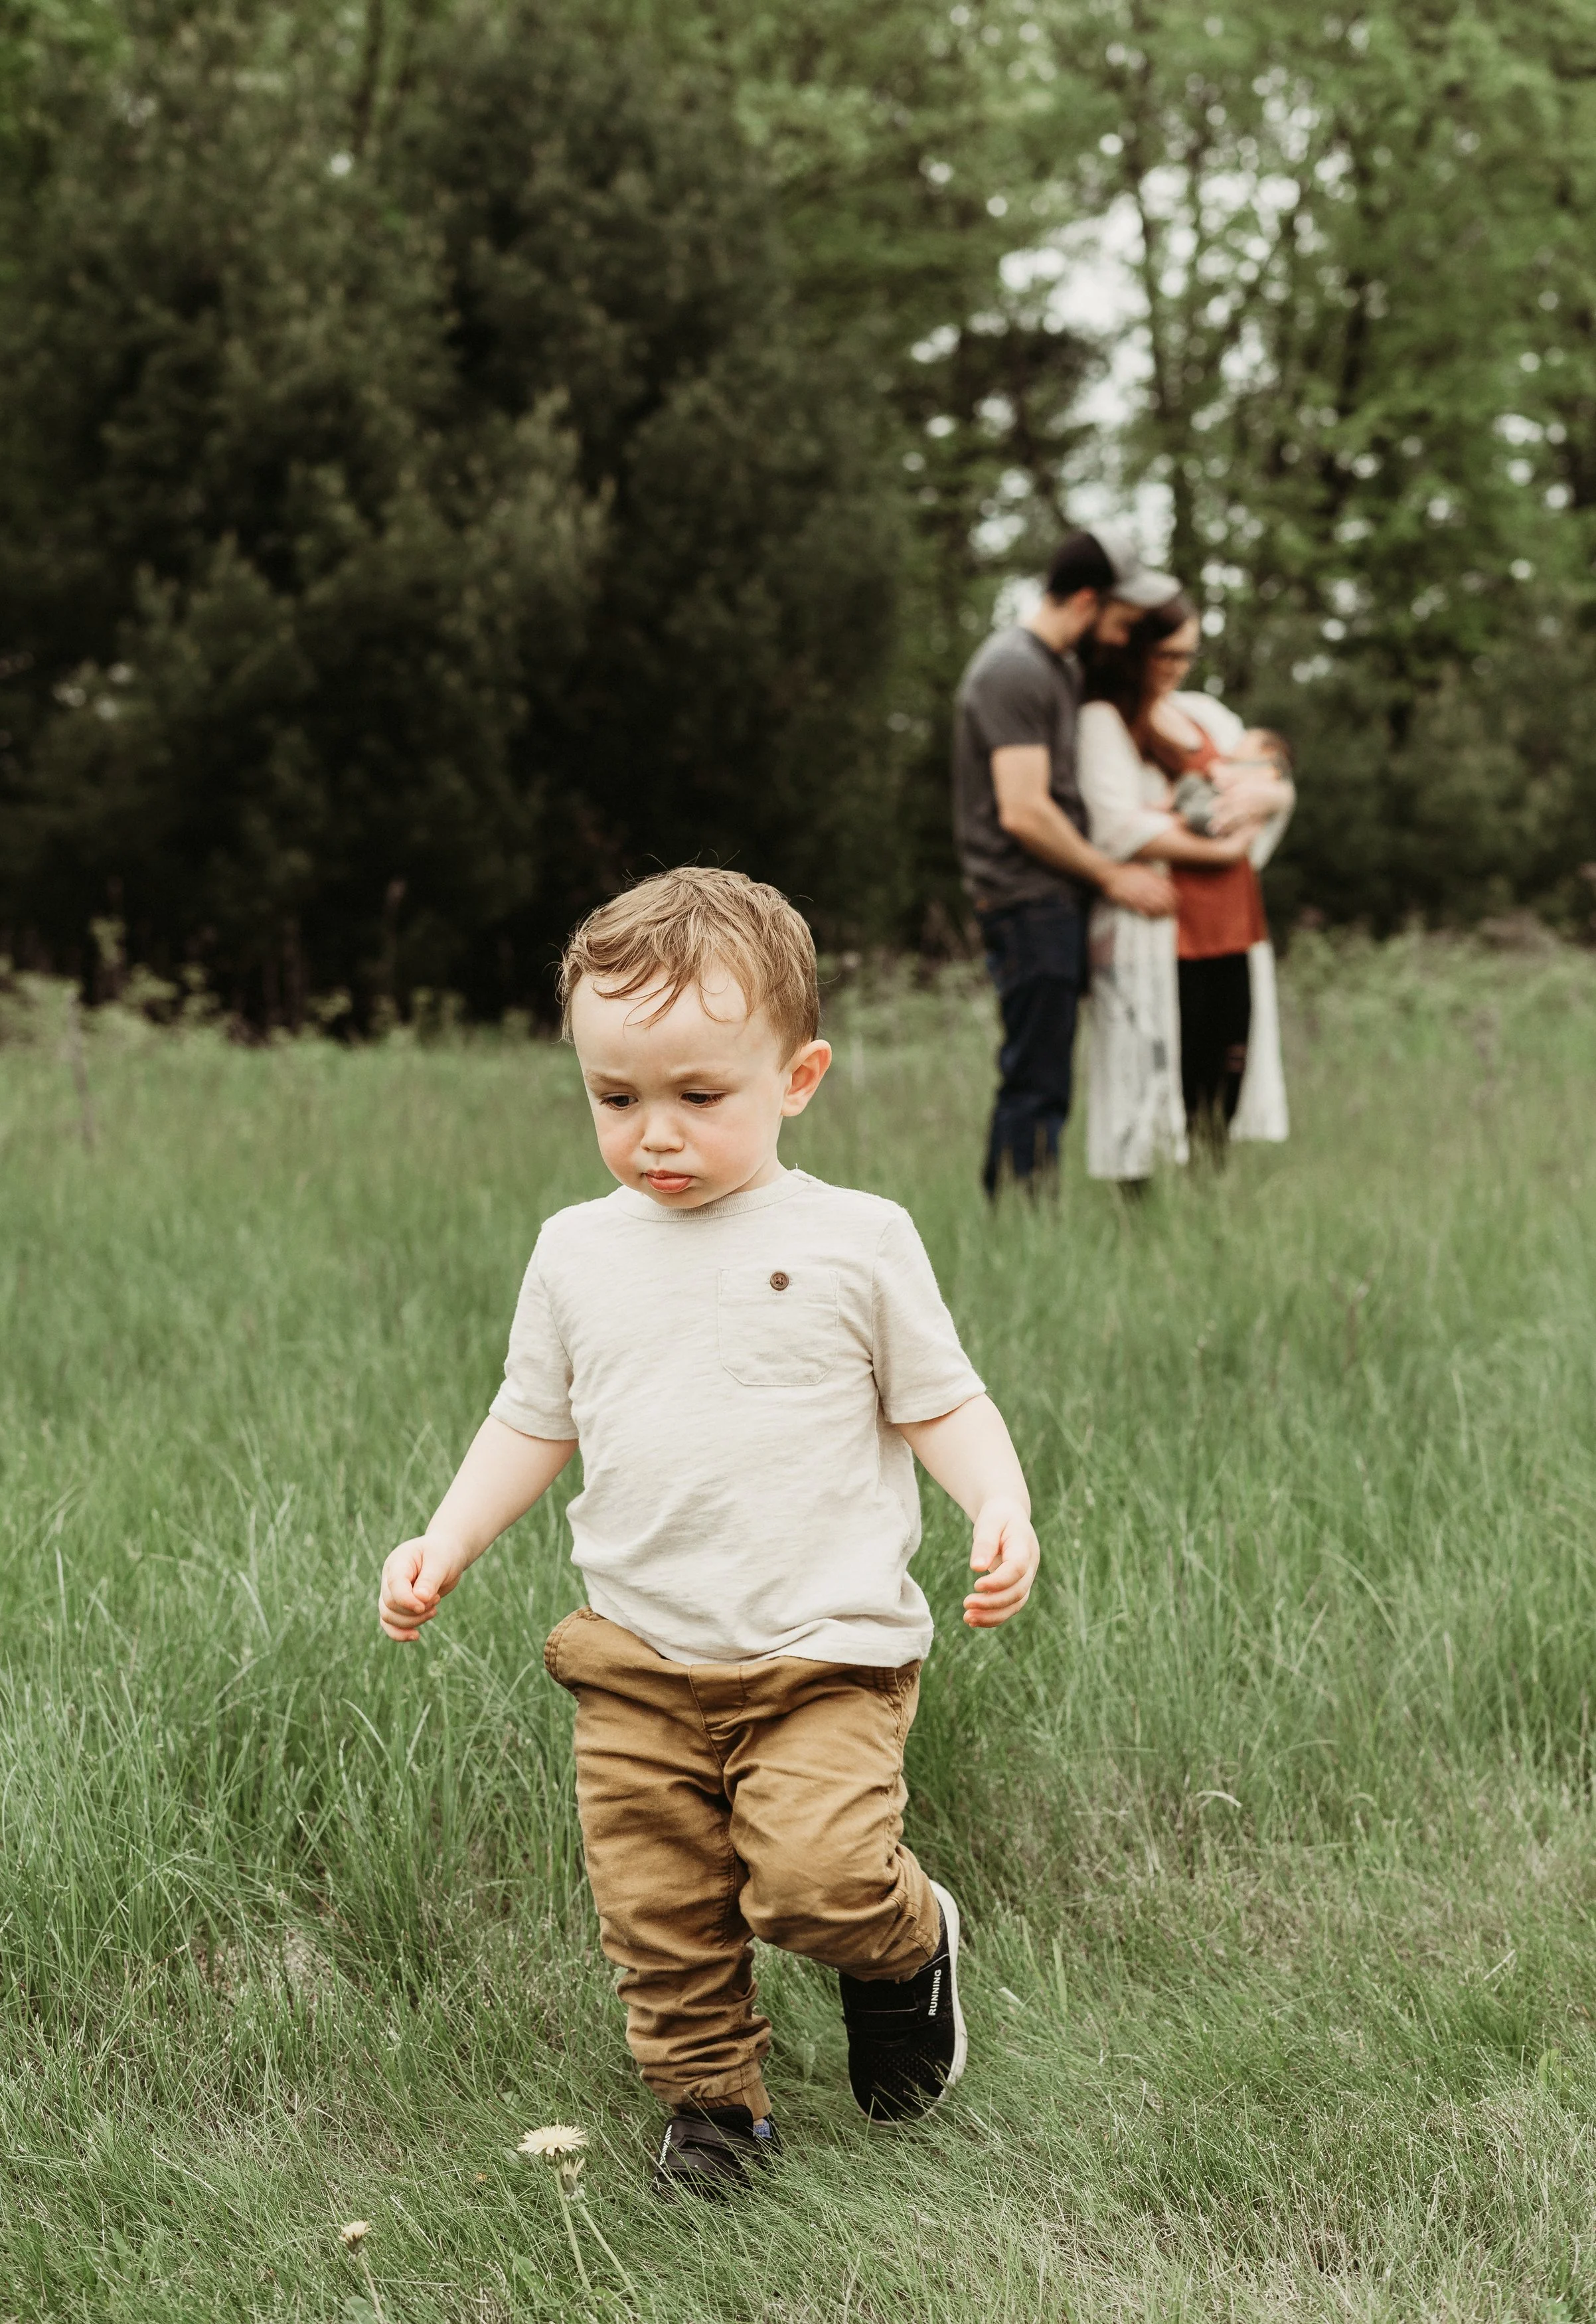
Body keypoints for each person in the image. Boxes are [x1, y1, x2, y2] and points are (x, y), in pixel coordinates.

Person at [377, 867, 1041, 2196]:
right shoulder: (575, 1251)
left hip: (823, 1649)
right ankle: (714, 2110)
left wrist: (997, 1501)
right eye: (614, 1098)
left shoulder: (857, 1238)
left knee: (816, 1876)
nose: (653, 1133)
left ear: (796, 1076)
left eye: (697, 1095)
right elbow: (529, 1420)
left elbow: (939, 1396)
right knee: (659, 1912)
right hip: (636, 1655)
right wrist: (443, 1540)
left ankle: (902, 1949)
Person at [950, 526, 1180, 1201]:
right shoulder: (1012, 669)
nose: (1121, 634)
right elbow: (1024, 810)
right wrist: (1112, 874)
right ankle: (1019, 1226)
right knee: (1036, 1076)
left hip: (1053, 900)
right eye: (1121, 617)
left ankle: (1031, 1217)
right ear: (1086, 601)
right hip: (1026, 901)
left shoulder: (1056, 668)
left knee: (1050, 1072)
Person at [1077, 597, 1295, 1184]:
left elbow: (1266, 780)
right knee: (1152, 1074)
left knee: (1224, 1078)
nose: (1176, 665)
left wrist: (1272, 797)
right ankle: (1140, 1222)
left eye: (1187, 653)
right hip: (1162, 929)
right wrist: (1221, 845)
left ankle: (1207, 1202)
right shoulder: (1104, 719)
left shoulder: (1204, 714)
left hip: (1234, 923)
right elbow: (1117, 825)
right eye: (1165, 652)